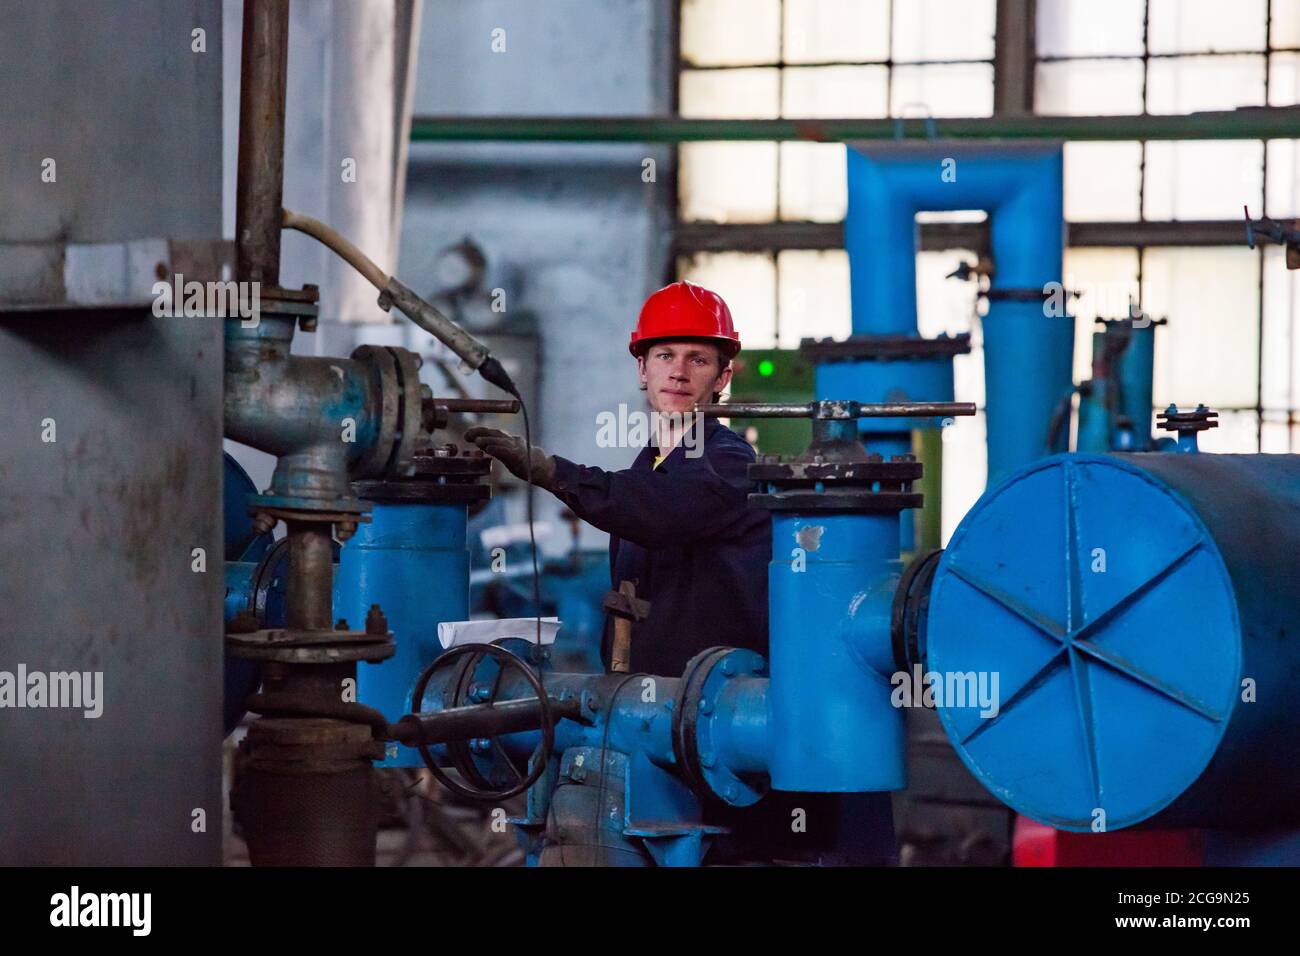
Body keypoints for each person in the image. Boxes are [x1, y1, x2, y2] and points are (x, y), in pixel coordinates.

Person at [465, 280, 896, 866]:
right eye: (664, 356)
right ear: (642, 369)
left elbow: (654, 511)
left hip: (725, 726)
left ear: (724, 376)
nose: (679, 370)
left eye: (698, 359)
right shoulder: (653, 463)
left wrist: (550, 470)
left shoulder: (726, 461)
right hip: (664, 726)